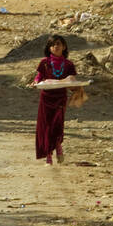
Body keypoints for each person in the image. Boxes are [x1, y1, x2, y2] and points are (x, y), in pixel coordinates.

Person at [34, 34, 75, 164]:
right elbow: (39, 77)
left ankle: (58, 146)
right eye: (53, 44)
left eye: (59, 44)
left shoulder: (68, 64)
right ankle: (48, 155)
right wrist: (35, 82)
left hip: (60, 98)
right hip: (46, 98)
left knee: (57, 124)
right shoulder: (44, 63)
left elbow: (72, 80)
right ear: (49, 48)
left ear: (64, 47)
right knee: (46, 126)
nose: (56, 47)